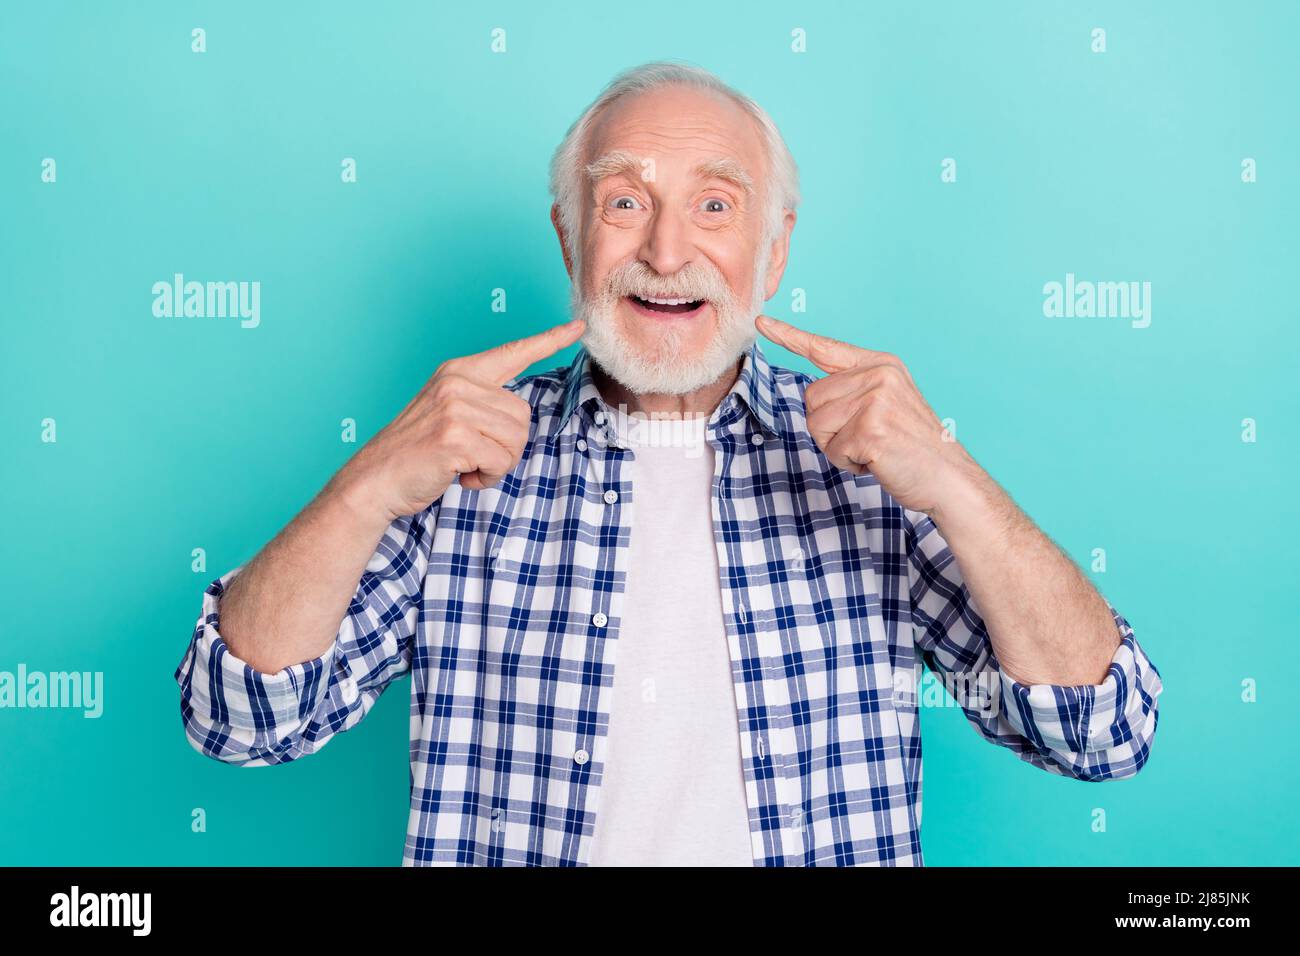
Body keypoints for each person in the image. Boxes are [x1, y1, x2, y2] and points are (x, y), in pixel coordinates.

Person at [174, 61, 1162, 866]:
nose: (665, 248)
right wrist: (368, 485)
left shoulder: (869, 464)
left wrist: (951, 473)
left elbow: (1104, 730)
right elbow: (242, 717)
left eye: (716, 206)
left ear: (773, 254)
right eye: (623, 203)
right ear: (570, 239)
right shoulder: (454, 466)